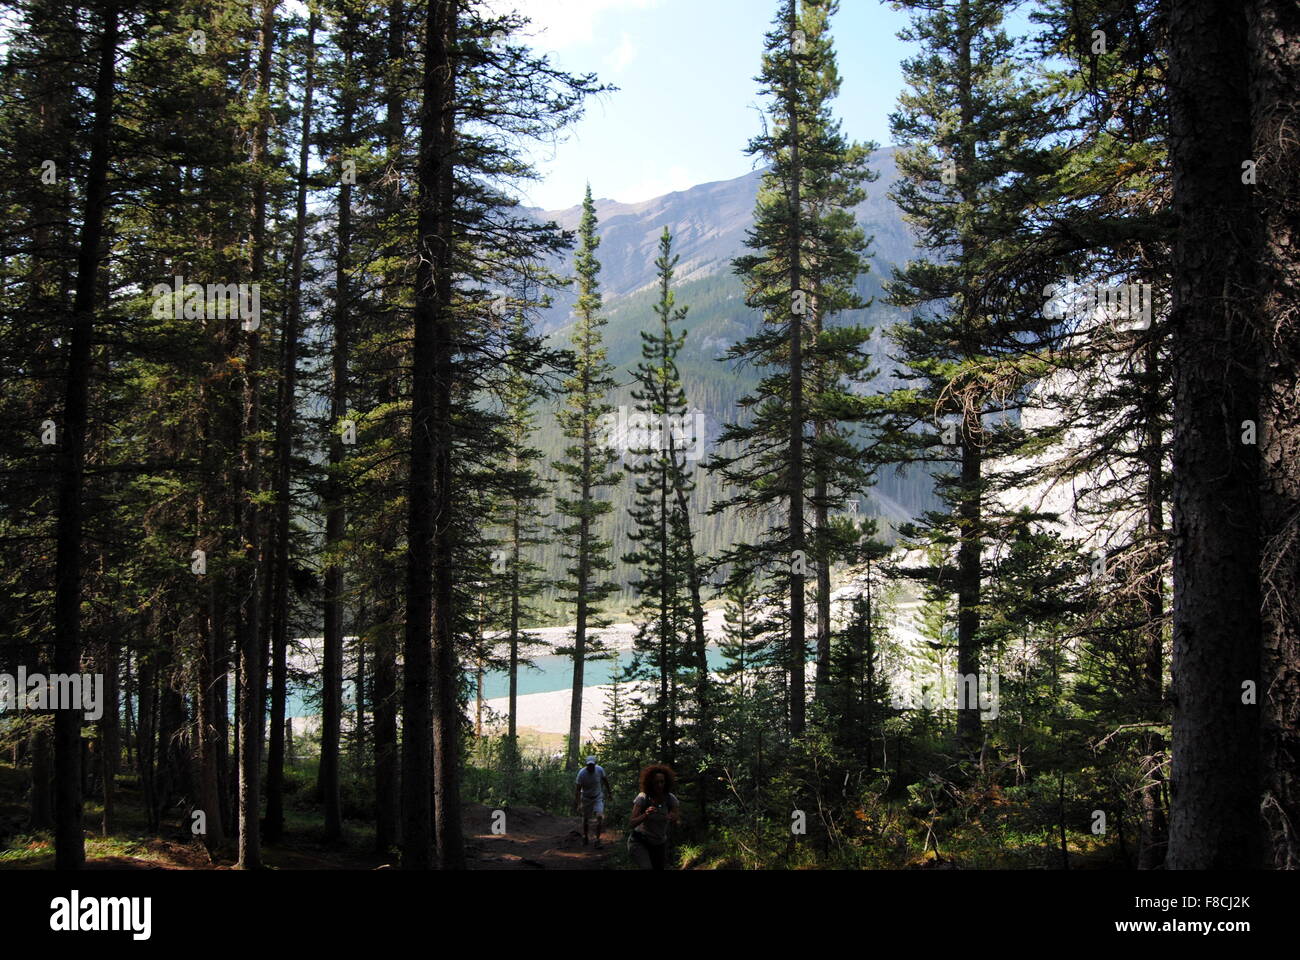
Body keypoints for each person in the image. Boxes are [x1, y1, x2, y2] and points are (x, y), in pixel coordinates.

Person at [627, 763, 679, 870]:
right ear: (650, 783)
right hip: (640, 841)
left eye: (662, 782)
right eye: (656, 782)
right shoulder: (643, 798)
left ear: (666, 782)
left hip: (659, 844)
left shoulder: (670, 799)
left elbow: (676, 820)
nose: (660, 785)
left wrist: (674, 818)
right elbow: (631, 823)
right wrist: (645, 814)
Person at [573, 756, 612, 847]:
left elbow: (605, 780)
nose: (590, 767)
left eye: (592, 765)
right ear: (586, 765)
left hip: (597, 797)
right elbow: (578, 789)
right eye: (588, 765)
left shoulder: (599, 770)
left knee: (599, 817)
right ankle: (585, 836)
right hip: (586, 798)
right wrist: (578, 803)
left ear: (595, 764)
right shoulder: (581, 774)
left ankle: (597, 839)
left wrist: (609, 792)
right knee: (586, 819)